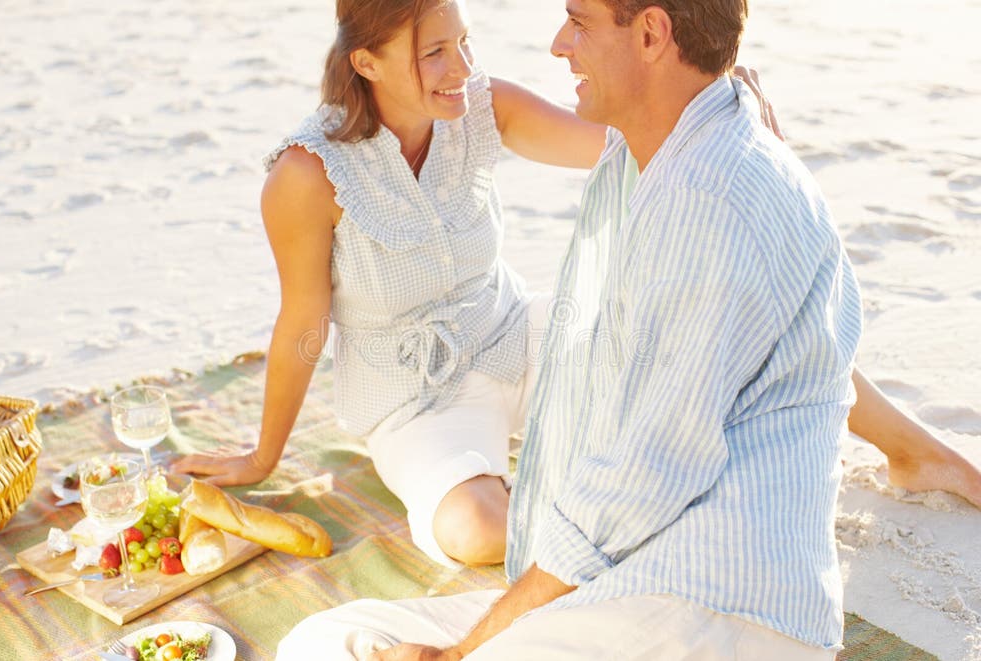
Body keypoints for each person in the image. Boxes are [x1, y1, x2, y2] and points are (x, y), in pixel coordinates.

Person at [173, 0, 981, 575]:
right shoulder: (307, 175)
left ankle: (917, 450)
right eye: (434, 53)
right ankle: (598, 504)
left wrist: (723, 114)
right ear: (366, 62)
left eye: (465, 42)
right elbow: (304, 326)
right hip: (415, 398)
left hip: (517, 335)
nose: (462, 70)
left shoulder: (480, 108)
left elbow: (628, 142)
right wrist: (261, 454)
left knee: (749, 308)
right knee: (479, 530)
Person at [276, 0, 862, 658]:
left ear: (651, 33)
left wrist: (465, 650)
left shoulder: (707, 203)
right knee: (325, 637)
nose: (558, 44)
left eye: (578, 22)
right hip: (641, 564)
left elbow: (640, 481)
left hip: (707, 601)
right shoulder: (668, 151)